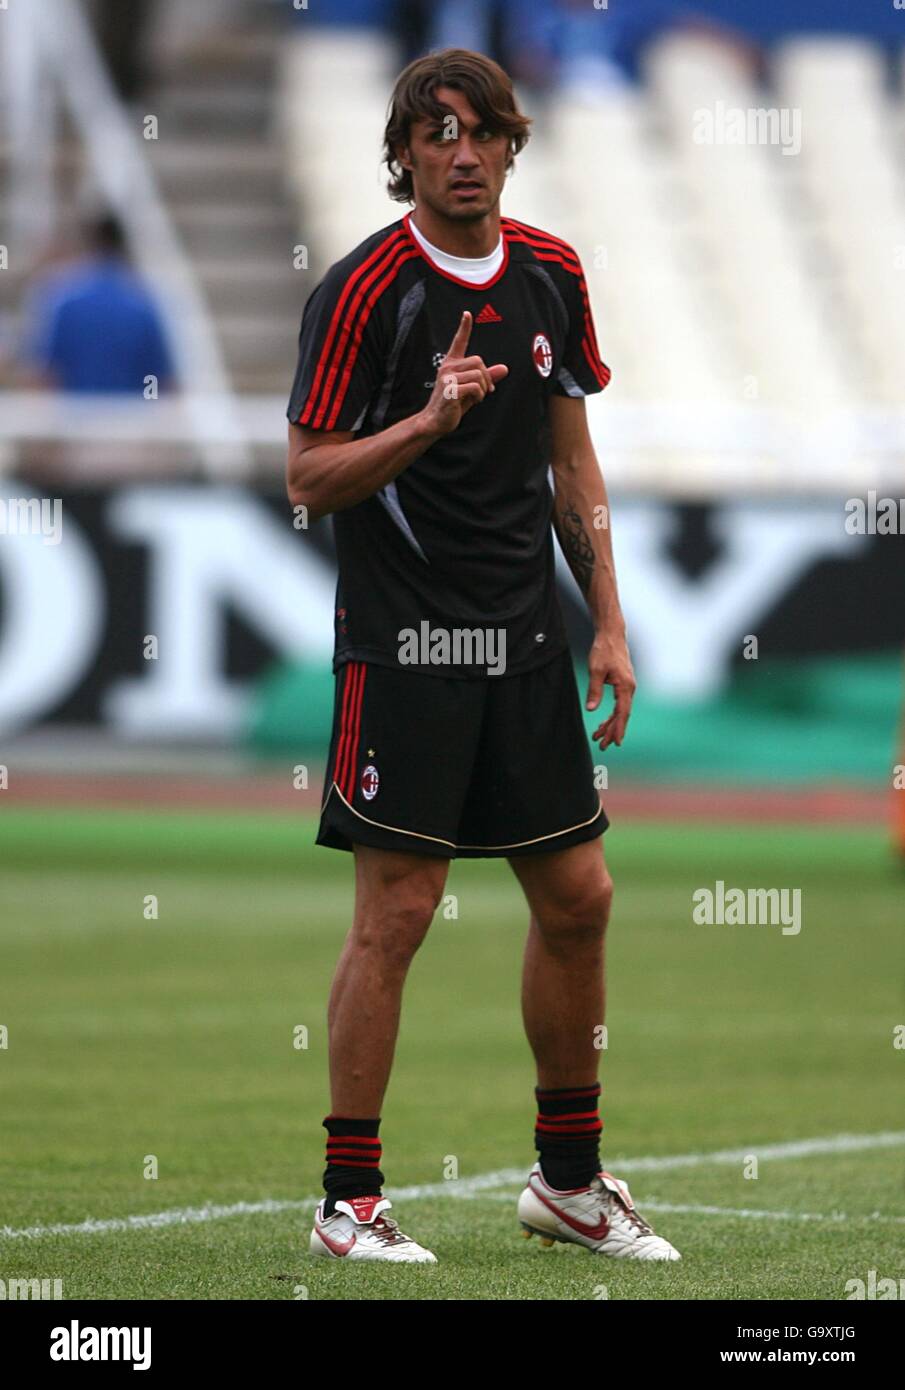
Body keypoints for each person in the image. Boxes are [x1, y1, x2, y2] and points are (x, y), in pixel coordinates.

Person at [285, 47, 679, 1263]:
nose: (461, 151)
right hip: (401, 642)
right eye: (435, 132)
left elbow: (572, 464)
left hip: (521, 642)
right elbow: (306, 476)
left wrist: (605, 618)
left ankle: (567, 1181)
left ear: (512, 146)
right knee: (397, 912)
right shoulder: (362, 291)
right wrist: (426, 419)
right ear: (401, 155)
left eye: (482, 130)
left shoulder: (553, 273)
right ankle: (348, 1199)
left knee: (579, 897)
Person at [22, 214, 174, 396]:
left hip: (76, 416)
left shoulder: (64, 301)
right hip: (131, 416)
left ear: (90, 244)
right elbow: (160, 377)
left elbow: (45, 374)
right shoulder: (143, 304)